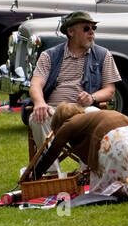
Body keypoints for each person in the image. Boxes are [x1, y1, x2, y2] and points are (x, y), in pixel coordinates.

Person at [29, 102, 128, 202]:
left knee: (101, 190)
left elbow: (52, 151)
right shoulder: (92, 117)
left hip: (115, 139)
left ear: (59, 122)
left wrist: (35, 174)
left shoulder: (68, 124)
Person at [27, 11, 121, 174]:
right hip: (54, 109)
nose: (92, 32)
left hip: (84, 110)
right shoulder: (49, 55)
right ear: (71, 32)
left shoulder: (103, 55)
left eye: (94, 28)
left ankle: (88, 173)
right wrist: (40, 103)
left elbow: (110, 90)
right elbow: (36, 84)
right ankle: (51, 175)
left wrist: (92, 97)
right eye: (86, 28)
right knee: (38, 117)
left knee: (97, 116)